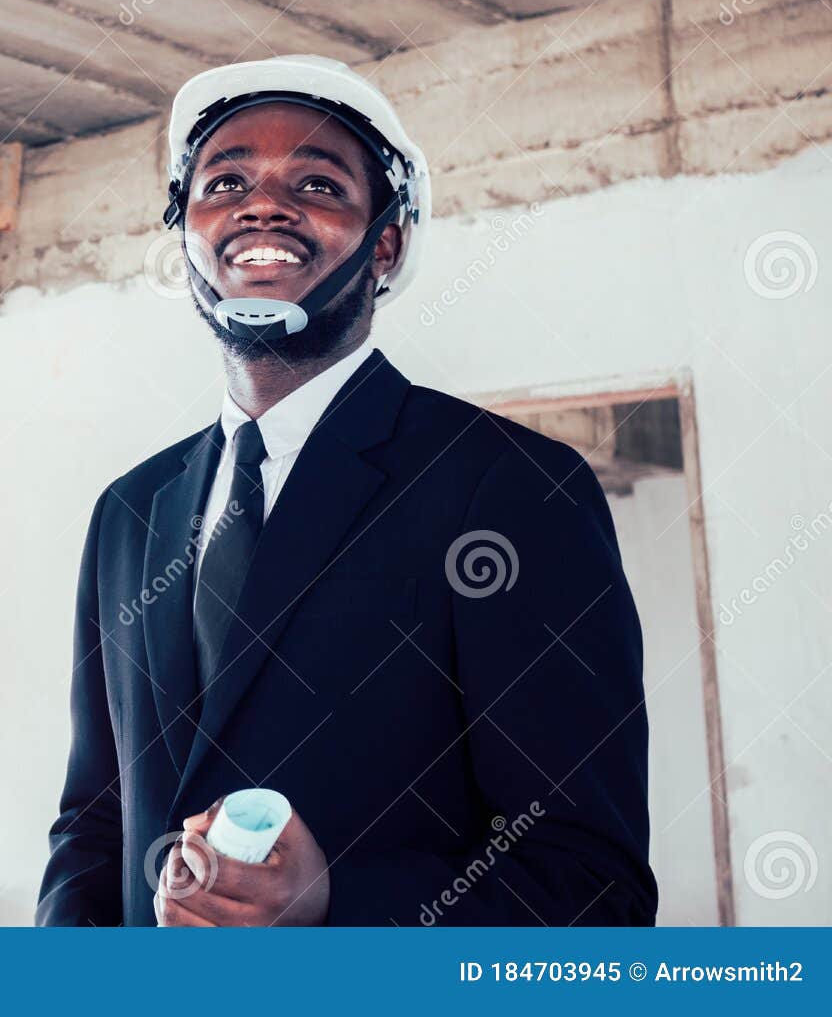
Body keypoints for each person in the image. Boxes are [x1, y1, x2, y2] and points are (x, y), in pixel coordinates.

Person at [34, 55, 657, 927]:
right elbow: (95, 821)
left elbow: (592, 882)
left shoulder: (512, 487)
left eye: (318, 183)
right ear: (188, 235)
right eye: (226, 181)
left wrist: (336, 907)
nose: (263, 204)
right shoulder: (128, 514)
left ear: (386, 244)